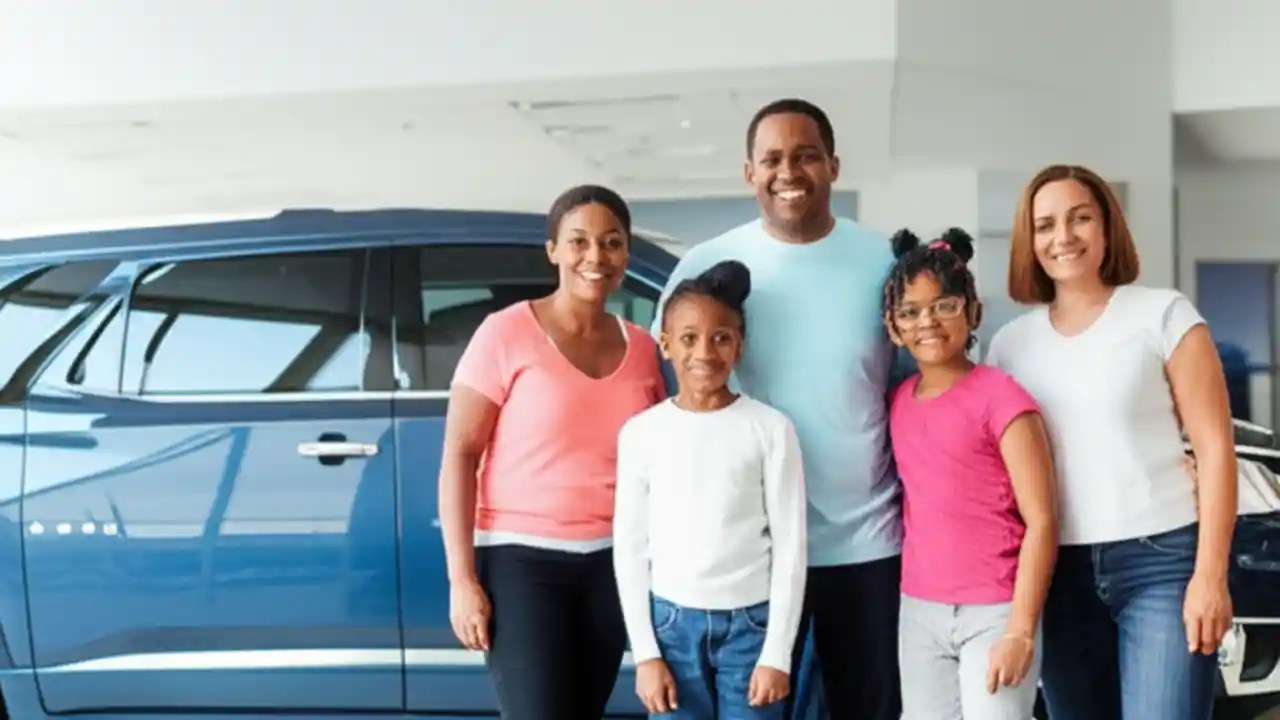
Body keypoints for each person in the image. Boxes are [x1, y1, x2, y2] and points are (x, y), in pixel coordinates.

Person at [652, 98, 902, 719]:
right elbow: (679, 400)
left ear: (833, 166)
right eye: (772, 159)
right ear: (749, 173)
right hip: (747, 559)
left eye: (806, 156)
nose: (788, 172)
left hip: (861, 546)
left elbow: (911, 389)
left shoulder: (883, 263)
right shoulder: (704, 266)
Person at [986, 164, 1237, 720]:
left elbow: (1216, 450)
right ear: (1029, 240)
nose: (1063, 236)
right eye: (1045, 225)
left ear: (1106, 228)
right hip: (1058, 576)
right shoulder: (1008, 348)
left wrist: (1211, 575)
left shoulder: (1164, 315)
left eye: (1080, 218)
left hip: (1161, 566)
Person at [438, 184, 667, 720]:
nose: (596, 256)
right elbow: (460, 455)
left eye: (611, 243)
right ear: (553, 250)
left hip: (611, 563)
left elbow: (659, 463)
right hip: (522, 561)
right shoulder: (505, 333)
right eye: (579, 241)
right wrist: (462, 580)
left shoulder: (642, 349)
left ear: (626, 254)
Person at [615, 260, 808, 719]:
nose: (704, 352)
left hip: (751, 629)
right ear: (665, 343)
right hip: (670, 629)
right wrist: (646, 654)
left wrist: (777, 654)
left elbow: (791, 547)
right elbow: (629, 547)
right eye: (689, 338)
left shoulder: (770, 429)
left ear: (740, 346)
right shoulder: (641, 433)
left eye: (721, 338)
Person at [882, 227, 1058, 719]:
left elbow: (1042, 520)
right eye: (910, 312)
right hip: (920, 612)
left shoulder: (1003, 398)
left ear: (972, 311)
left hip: (996, 611)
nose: (927, 322)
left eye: (944, 306)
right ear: (893, 327)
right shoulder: (898, 402)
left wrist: (1020, 629)